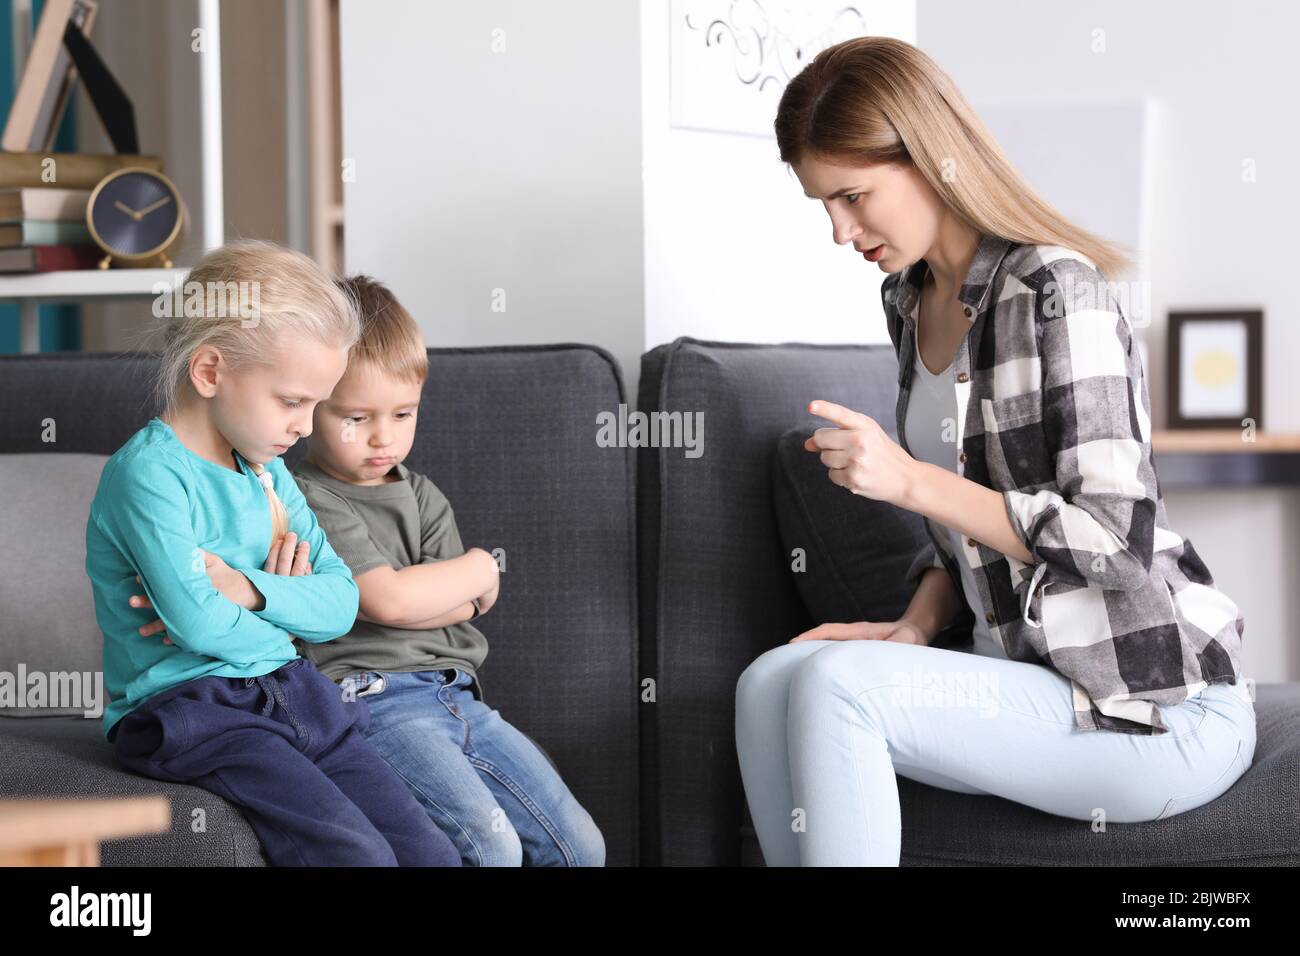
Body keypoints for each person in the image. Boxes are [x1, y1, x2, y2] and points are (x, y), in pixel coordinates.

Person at [734, 36, 1254, 866]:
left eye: (854, 195)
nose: (840, 230)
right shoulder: (909, 301)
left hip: (1146, 702)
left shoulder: (1058, 290)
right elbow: (969, 531)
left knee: (838, 689)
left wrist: (910, 482)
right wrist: (915, 626)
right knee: (768, 683)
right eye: (823, 205)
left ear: (927, 159)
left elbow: (1117, 542)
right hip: (1024, 679)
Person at [87, 239, 461, 866]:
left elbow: (340, 605)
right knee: (357, 855)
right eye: (292, 401)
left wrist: (253, 589)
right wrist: (280, 617)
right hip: (190, 706)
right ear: (210, 373)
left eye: (317, 404)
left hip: (293, 689)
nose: (308, 427)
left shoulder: (265, 470)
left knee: (432, 852)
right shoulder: (150, 474)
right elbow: (197, 622)